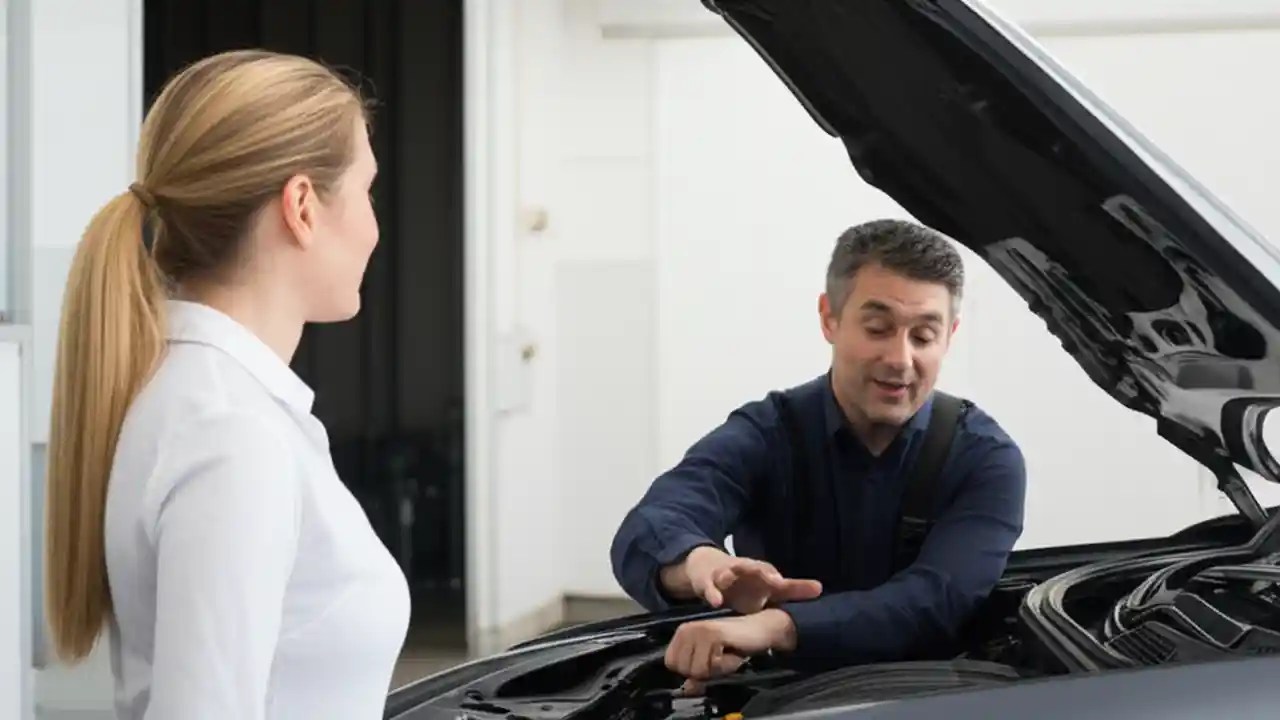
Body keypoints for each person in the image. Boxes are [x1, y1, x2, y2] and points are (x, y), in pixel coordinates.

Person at [43, 49, 408, 719]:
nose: (374, 225)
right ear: (301, 205)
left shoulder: (204, 399)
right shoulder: (233, 436)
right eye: (366, 190)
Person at [610, 219, 1027, 688]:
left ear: (950, 334)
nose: (900, 359)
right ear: (829, 318)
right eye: (877, 328)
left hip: (925, 697)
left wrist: (776, 626)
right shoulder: (767, 431)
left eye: (924, 336)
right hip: (777, 697)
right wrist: (702, 564)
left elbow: (936, 598)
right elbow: (651, 524)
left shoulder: (986, 459)